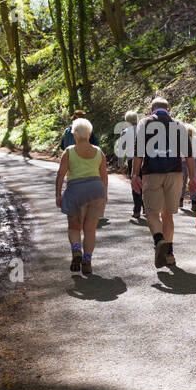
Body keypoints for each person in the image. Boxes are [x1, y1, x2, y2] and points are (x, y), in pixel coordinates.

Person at [131, 97, 196, 268]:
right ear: (169, 110)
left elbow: (138, 152)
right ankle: (169, 254)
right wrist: (192, 178)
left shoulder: (144, 123)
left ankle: (159, 240)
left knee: (152, 213)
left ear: (151, 110)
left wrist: (134, 174)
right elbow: (189, 155)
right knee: (168, 214)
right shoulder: (179, 125)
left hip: (152, 173)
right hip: (175, 174)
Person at [54, 117, 108, 275]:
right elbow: (104, 176)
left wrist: (58, 194)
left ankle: (76, 249)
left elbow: (60, 174)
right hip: (96, 190)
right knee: (90, 230)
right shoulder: (99, 152)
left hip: (76, 191)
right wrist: (105, 194)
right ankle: (87, 260)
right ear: (90, 134)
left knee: (74, 227)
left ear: (75, 134)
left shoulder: (69, 151)